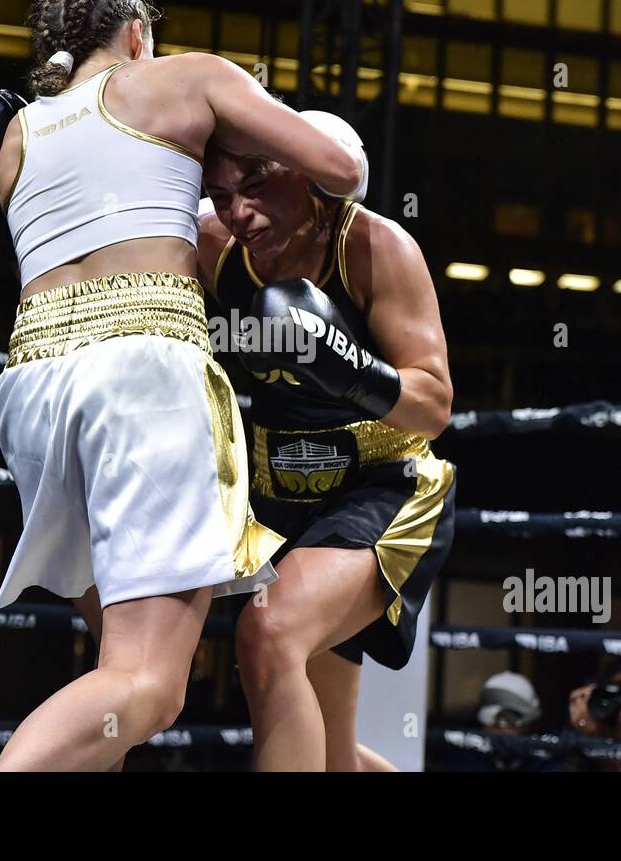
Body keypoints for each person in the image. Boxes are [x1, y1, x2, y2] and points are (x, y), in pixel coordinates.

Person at [0, 0, 366, 772]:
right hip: (141, 375)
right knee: (147, 684)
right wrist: (242, 144)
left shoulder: (18, 137)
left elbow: (102, 222)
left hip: (32, 390)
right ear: (137, 33)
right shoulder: (186, 77)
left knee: (115, 688)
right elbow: (343, 171)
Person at [196, 118, 455, 771]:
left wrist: (345, 362)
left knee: (268, 630)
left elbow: (434, 404)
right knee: (333, 754)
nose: (240, 210)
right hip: (277, 498)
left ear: (308, 171)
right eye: (223, 194)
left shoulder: (373, 246)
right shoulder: (209, 243)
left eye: (255, 183)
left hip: (380, 488)